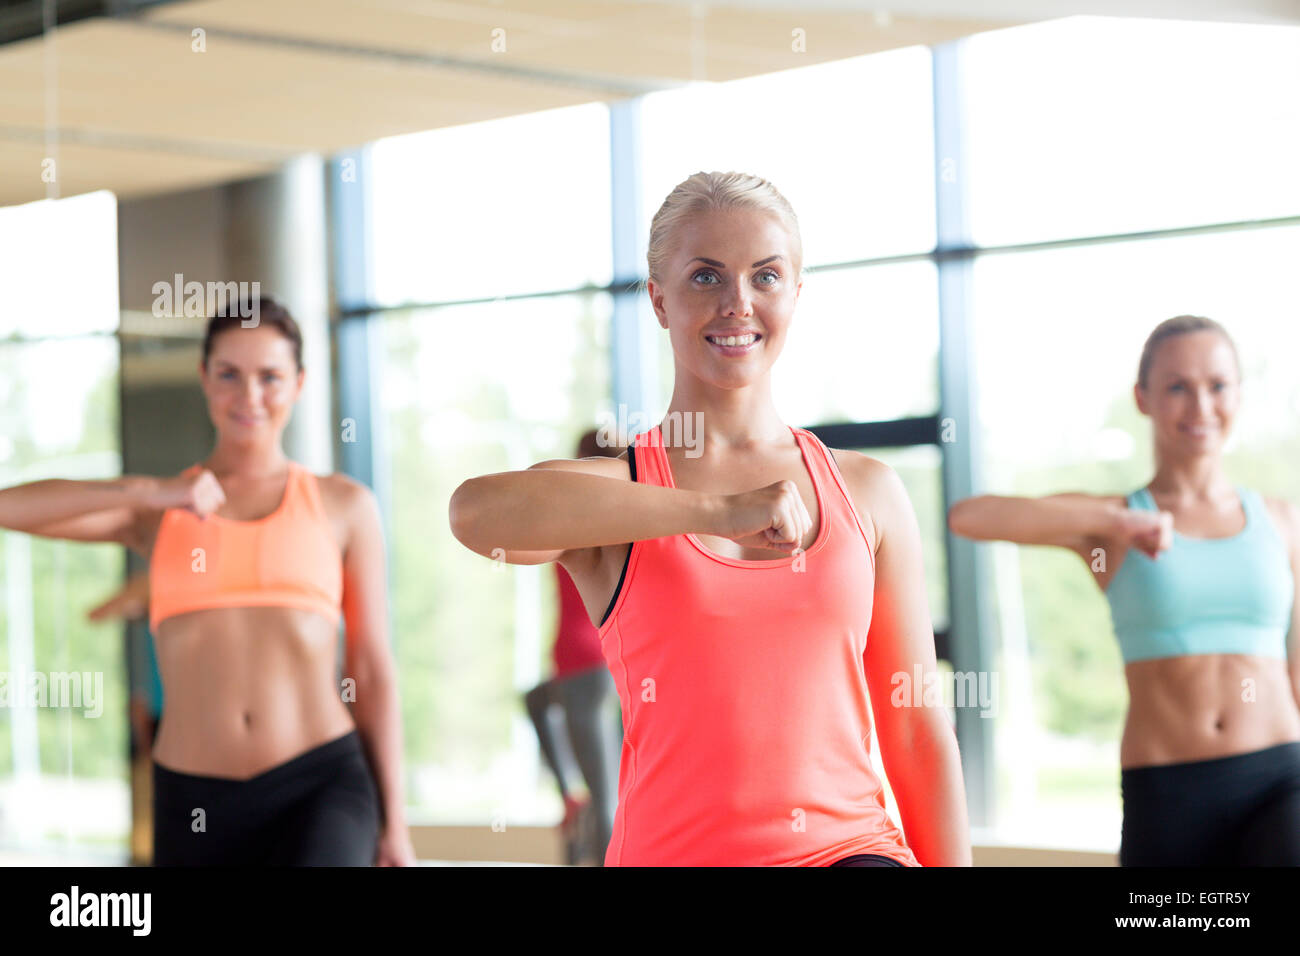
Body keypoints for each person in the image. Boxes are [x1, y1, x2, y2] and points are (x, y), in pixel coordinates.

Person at [451, 171, 970, 866]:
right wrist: (717, 512)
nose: (737, 303)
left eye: (765, 276)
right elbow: (476, 514)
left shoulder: (867, 491)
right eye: (705, 277)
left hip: (849, 851)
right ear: (659, 301)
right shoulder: (619, 499)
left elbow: (914, 730)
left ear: (795, 293)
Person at [0, 296, 416, 866]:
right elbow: (10, 507)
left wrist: (396, 822)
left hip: (318, 785)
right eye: (230, 375)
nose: (250, 397)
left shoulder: (344, 505)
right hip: (192, 800)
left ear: (298, 383)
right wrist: (151, 492)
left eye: (270, 377)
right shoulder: (156, 512)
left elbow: (370, 668)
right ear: (204, 378)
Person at [949, 315, 1300, 866]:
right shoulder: (1113, 524)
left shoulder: (1283, 521)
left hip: (1280, 779)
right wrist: (1116, 520)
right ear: (1144, 398)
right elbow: (970, 517)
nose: (1201, 406)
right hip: (1166, 788)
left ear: (1239, 393)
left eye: (1217, 385)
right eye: (1177, 387)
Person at [522, 429, 622, 864]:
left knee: (605, 794)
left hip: (589, 665)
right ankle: (569, 795)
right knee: (534, 700)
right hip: (588, 665)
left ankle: (574, 802)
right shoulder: (606, 517)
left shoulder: (584, 518)